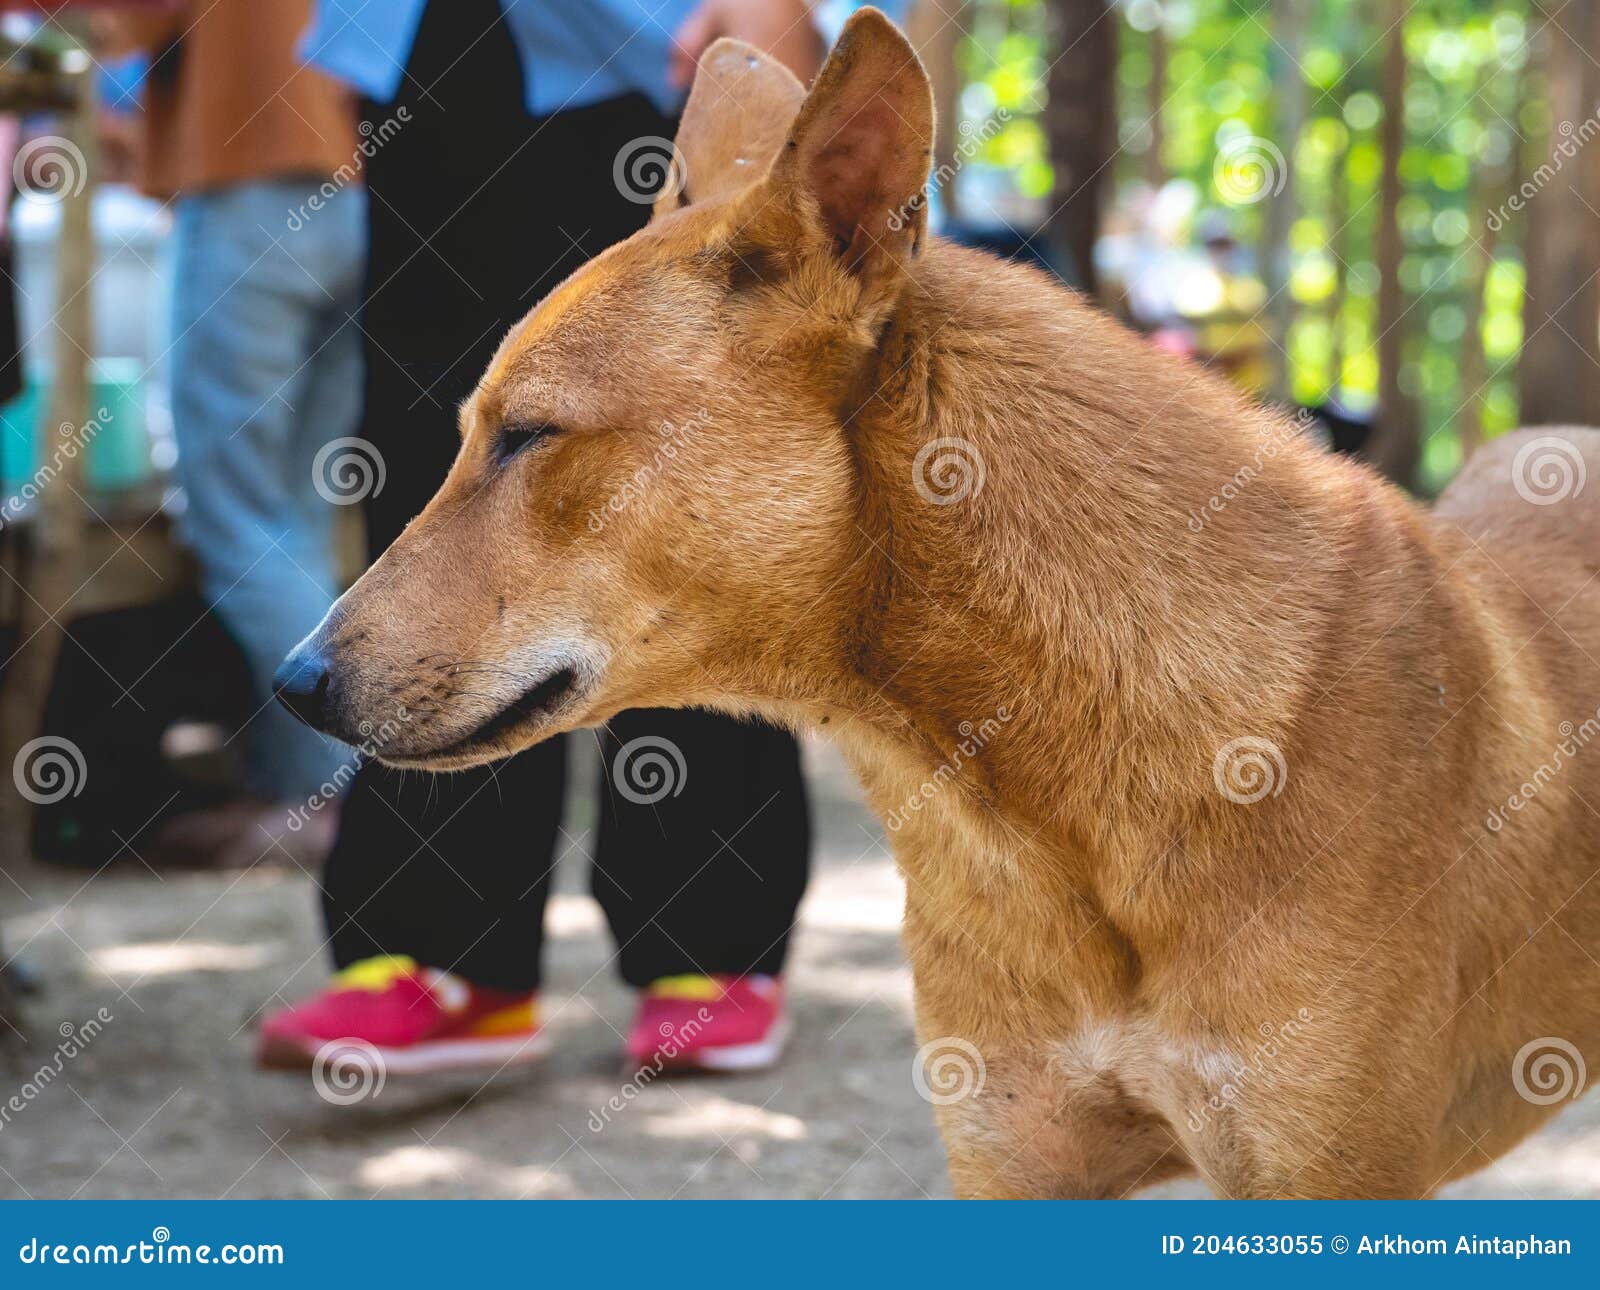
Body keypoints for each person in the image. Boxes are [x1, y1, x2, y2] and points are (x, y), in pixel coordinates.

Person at [256, 0, 845, 1076]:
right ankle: (444, 950)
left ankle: (708, 935)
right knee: (431, 459)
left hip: (655, 57)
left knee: (667, 478)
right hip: (432, 52)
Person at [99, 0, 365, 869]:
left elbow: (116, 26)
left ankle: (341, 798)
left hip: (251, 189)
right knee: (295, 514)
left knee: (234, 520)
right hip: (354, 189)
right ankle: (305, 793)